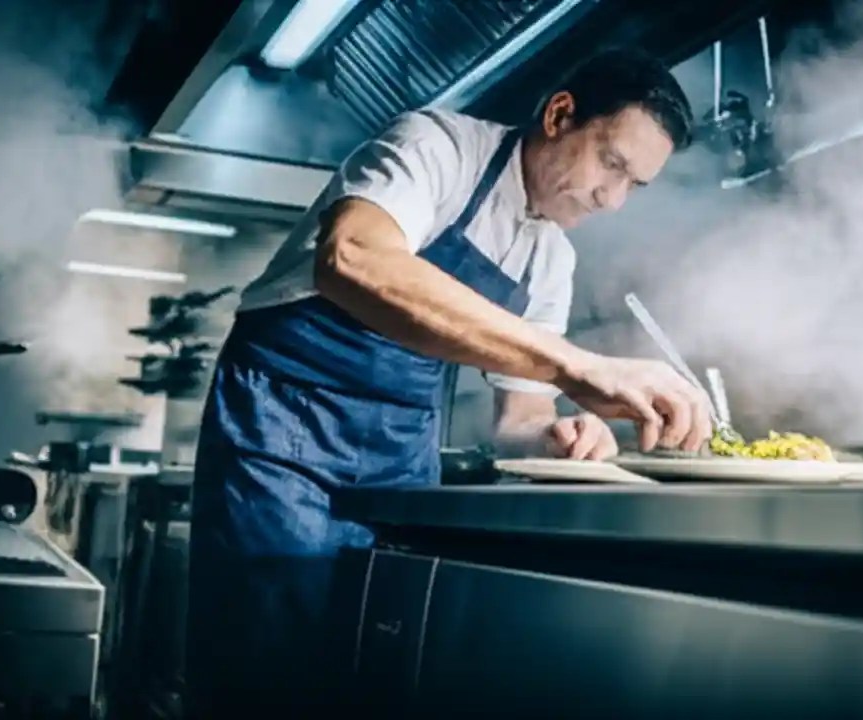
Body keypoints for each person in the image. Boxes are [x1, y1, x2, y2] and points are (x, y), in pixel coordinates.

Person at [185, 47, 714, 714]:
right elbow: (351, 258)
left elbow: (517, 420)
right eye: (611, 163)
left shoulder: (549, 259)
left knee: (367, 664)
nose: (612, 200)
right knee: (265, 662)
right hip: (283, 428)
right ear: (559, 115)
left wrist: (558, 434)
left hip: (398, 458)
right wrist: (577, 364)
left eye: (634, 185)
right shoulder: (435, 146)